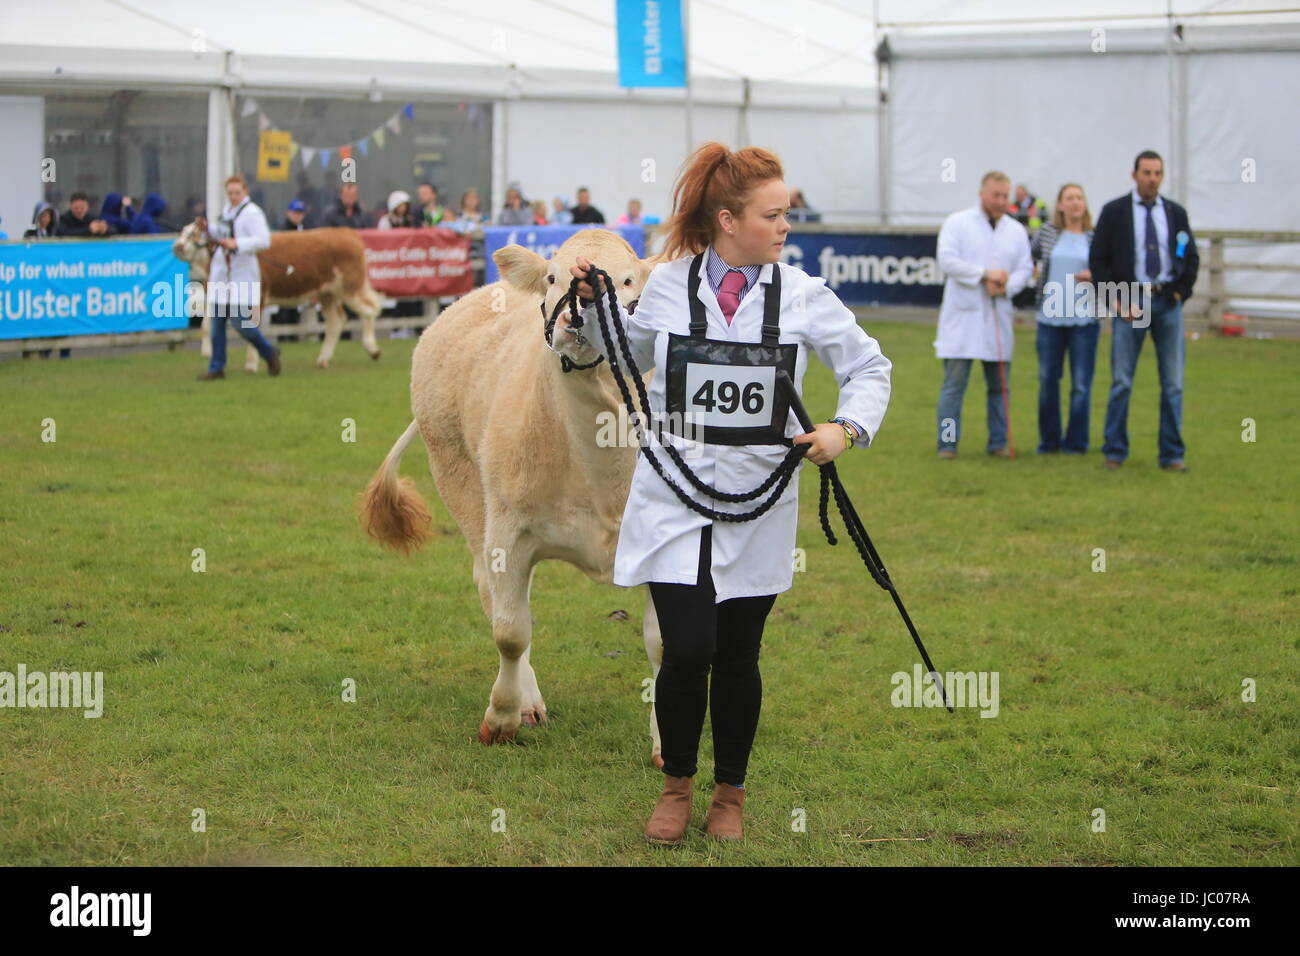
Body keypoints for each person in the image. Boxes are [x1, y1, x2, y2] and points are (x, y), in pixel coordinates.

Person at [559, 142, 891, 845]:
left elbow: (868, 365)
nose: (785, 226)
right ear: (729, 219)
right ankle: (677, 785)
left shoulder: (803, 294)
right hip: (673, 497)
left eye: (787, 214)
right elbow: (623, 346)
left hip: (760, 501)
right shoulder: (669, 284)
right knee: (687, 648)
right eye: (774, 215)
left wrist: (846, 427)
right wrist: (587, 308)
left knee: (740, 656)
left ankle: (730, 796)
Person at [1091, 149, 1199, 472]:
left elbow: (1189, 255)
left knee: (1173, 383)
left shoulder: (1176, 214)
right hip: (1130, 303)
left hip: (1167, 303)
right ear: (1134, 175)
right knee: (1122, 380)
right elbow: (1098, 261)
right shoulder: (1114, 212)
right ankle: (1114, 450)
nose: (1152, 179)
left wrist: (1181, 292)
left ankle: (1172, 454)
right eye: (1146, 173)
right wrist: (1115, 301)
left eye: (1157, 174)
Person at [933, 170, 1033, 459]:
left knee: (1000, 387)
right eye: (996, 195)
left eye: (1005, 196)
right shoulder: (958, 222)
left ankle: (999, 443)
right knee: (954, 386)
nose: (1001, 201)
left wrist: (1005, 287)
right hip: (963, 319)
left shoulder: (1015, 230)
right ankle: (947, 444)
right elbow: (948, 260)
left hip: (997, 317)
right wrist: (984, 275)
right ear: (982, 194)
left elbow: (1025, 269)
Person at [1031, 184, 1098, 454]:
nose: (1075, 203)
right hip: (1050, 319)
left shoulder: (1094, 236)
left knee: (1081, 384)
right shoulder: (1048, 234)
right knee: (1048, 380)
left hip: (1085, 319)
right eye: (1069, 198)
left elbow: (1107, 266)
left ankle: (1077, 443)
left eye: (1079, 198)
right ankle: (1049, 441)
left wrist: (1096, 274)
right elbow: (1033, 256)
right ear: (1060, 205)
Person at [197, 174, 282, 381]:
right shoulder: (227, 211)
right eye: (230, 193)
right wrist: (209, 229)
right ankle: (216, 367)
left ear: (245, 192)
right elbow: (223, 233)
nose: (233, 196)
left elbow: (264, 240)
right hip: (222, 273)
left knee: (241, 322)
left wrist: (238, 244)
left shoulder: (252, 213)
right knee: (216, 323)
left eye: (237, 192)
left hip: (242, 273)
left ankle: (268, 352)